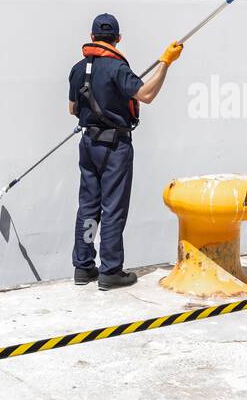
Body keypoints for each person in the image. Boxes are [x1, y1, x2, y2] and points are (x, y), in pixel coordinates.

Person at [69, 14, 182, 290]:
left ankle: (84, 268)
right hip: (114, 146)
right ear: (118, 39)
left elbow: (72, 109)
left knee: (88, 206)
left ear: (92, 37)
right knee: (113, 208)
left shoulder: (78, 68)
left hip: (88, 144)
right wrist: (166, 63)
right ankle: (110, 271)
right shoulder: (118, 69)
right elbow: (146, 94)